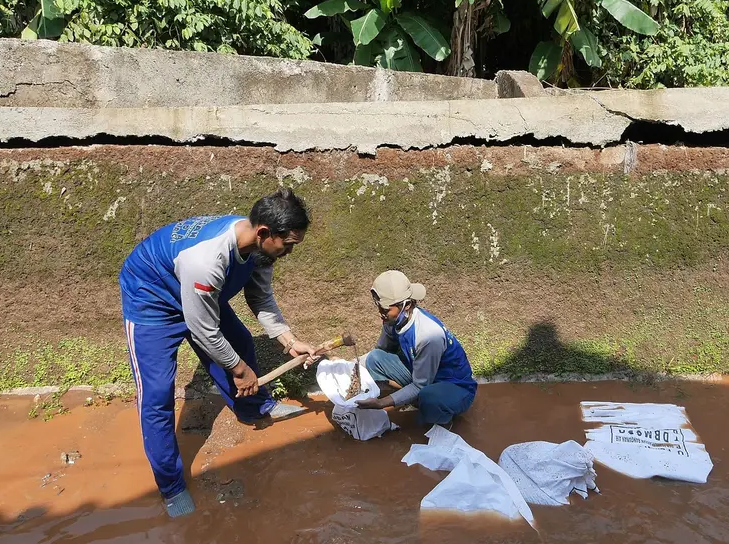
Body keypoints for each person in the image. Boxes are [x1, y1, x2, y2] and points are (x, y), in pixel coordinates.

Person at [119, 189, 316, 518]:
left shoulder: (259, 248)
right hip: (152, 298)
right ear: (265, 233)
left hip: (195, 293)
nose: (290, 252)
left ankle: (254, 407)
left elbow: (260, 296)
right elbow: (203, 329)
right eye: (289, 245)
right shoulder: (207, 260)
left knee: (240, 342)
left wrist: (288, 340)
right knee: (155, 396)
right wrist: (240, 370)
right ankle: (171, 486)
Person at [355, 271, 477, 427]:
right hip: (423, 375)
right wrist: (350, 365)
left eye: (385, 310)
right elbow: (379, 350)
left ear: (407, 305)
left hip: (456, 387)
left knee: (428, 395)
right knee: (375, 359)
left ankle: (442, 421)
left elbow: (421, 385)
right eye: (379, 308)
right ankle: (416, 400)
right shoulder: (392, 321)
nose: (381, 315)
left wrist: (381, 403)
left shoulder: (428, 336)